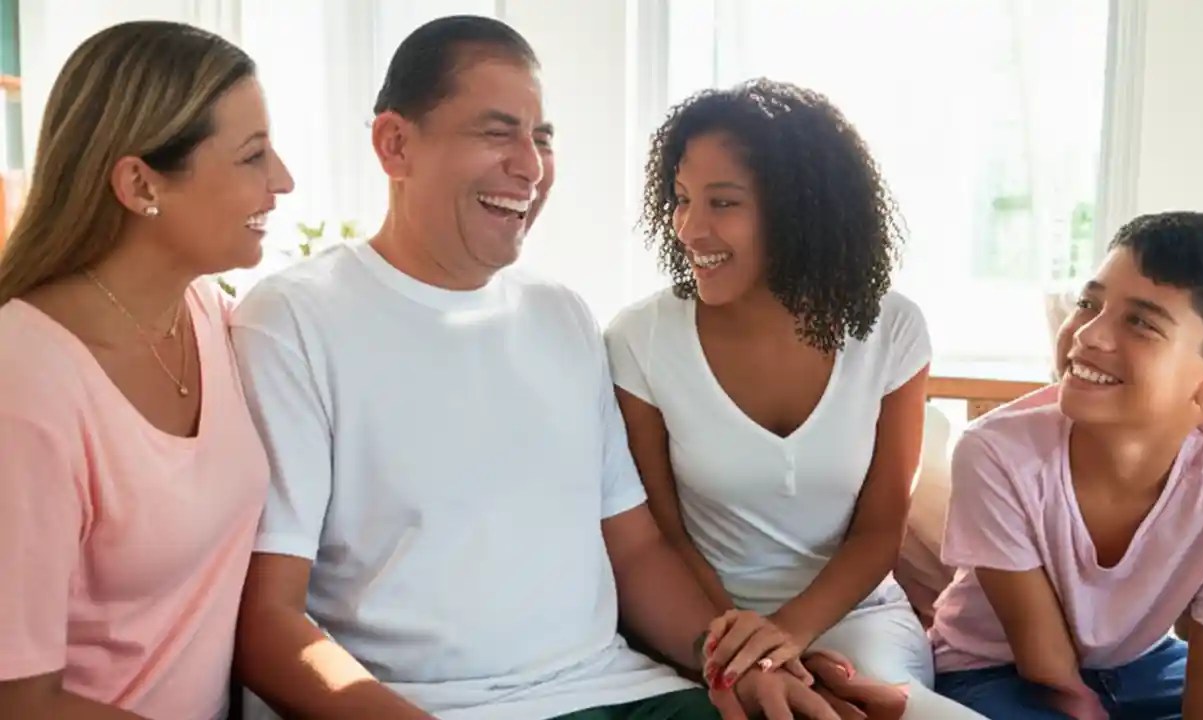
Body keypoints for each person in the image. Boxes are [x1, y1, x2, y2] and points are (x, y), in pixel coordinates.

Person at [229, 16, 849, 720]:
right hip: (421, 706)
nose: (530, 166)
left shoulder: (562, 315)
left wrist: (732, 664)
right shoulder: (293, 319)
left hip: (616, 689)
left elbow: (637, 550)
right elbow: (267, 620)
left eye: (543, 137)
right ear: (394, 145)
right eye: (497, 133)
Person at [603, 79, 984, 720]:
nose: (691, 227)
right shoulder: (639, 339)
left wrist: (792, 633)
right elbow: (663, 539)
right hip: (700, 623)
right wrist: (741, 647)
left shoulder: (890, 328)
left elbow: (878, 529)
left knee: (884, 706)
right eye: (681, 199)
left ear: (800, 210)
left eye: (723, 202)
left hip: (851, 616)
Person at [0, 20, 294, 720]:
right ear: (139, 183)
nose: (283, 180)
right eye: (252, 156)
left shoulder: (205, 310)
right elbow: (19, 703)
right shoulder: (24, 386)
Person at [929, 211, 1203, 719]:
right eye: (1089, 304)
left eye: (1139, 322)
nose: (1088, 335)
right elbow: (1043, 659)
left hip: (1142, 664)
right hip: (994, 668)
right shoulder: (996, 451)